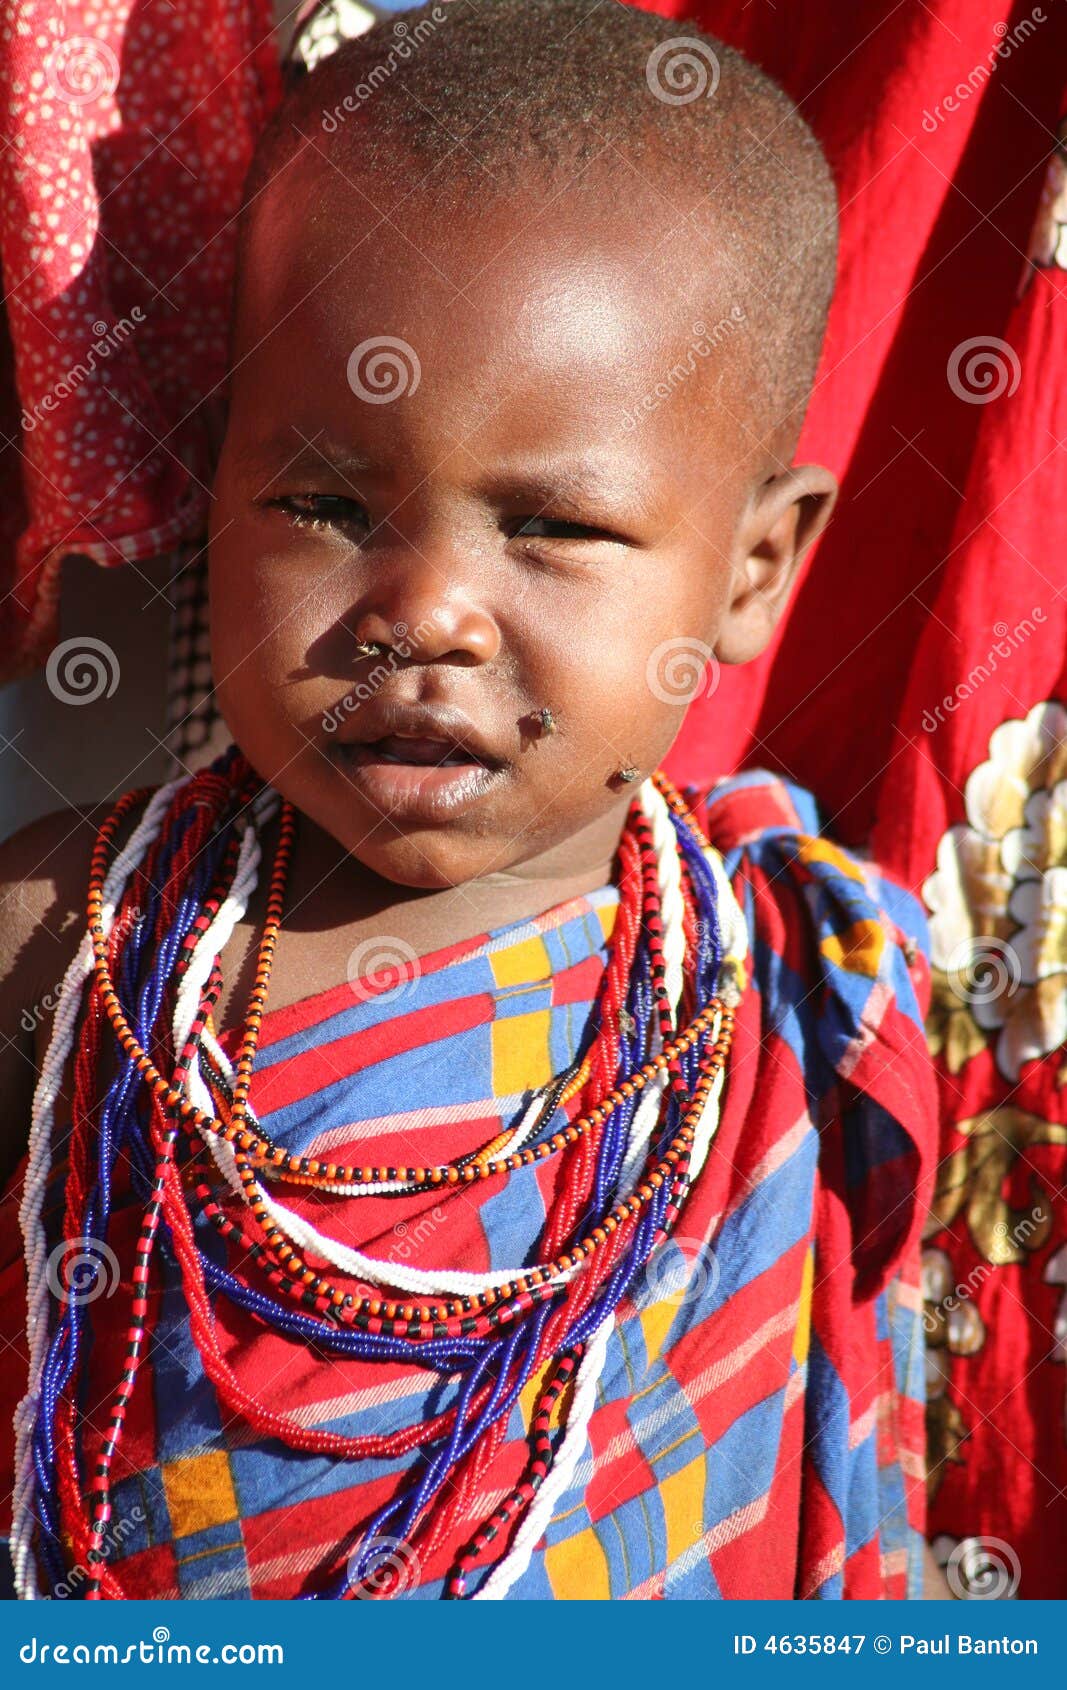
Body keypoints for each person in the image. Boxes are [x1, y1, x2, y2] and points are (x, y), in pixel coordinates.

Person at [0, 0, 936, 1601]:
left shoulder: (791, 988)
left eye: (551, 527)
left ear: (754, 567)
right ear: (220, 481)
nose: (425, 613)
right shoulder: (59, 942)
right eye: (322, 501)